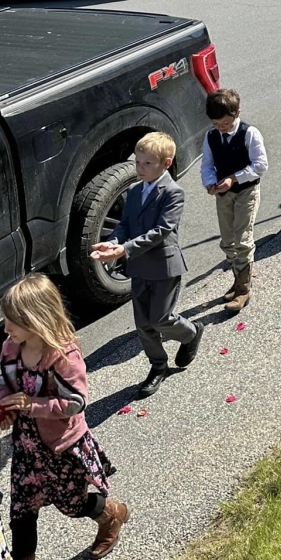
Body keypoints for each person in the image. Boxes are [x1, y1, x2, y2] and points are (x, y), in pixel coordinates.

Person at [0, 274, 127, 560]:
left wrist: (32, 404)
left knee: (72, 504)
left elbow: (75, 402)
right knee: (21, 514)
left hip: (62, 446)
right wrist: (5, 405)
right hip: (27, 446)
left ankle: (111, 514)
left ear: (35, 320)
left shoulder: (62, 355)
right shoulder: (12, 347)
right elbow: (7, 385)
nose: (6, 328)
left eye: (12, 322)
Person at [92, 132, 202, 399]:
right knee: (143, 323)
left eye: (146, 164)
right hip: (140, 267)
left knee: (160, 318)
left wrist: (124, 249)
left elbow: (162, 230)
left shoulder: (173, 193)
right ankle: (158, 365)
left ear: (165, 163)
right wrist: (113, 242)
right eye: (137, 162)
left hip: (164, 267)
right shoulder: (134, 191)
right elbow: (125, 224)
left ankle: (190, 333)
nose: (139, 168)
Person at [201, 88, 268, 314]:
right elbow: (207, 165)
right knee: (227, 240)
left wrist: (233, 178)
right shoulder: (211, 137)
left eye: (227, 123)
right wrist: (210, 183)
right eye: (217, 124)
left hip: (246, 191)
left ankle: (243, 289)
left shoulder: (250, 133)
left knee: (243, 238)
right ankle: (237, 276)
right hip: (224, 194)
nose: (222, 128)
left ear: (238, 113)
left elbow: (260, 166)